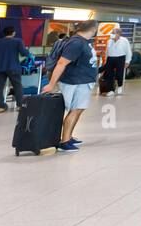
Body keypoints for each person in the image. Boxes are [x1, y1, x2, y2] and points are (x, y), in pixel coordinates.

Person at [41, 18, 99, 151]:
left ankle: (69, 136)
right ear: (93, 29)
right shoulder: (76, 43)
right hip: (75, 81)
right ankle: (65, 141)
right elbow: (62, 63)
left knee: (78, 109)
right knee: (76, 109)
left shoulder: (81, 41)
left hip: (81, 81)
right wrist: (51, 84)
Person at [0, 26, 31, 112]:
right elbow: (24, 53)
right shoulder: (18, 41)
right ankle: (20, 105)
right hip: (13, 67)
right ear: (13, 33)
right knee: (17, 86)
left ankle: (0, 106)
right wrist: (28, 52)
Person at [103, 25, 130, 96]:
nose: (112, 34)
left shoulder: (124, 40)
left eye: (113, 33)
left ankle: (120, 85)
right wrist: (106, 60)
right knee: (109, 75)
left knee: (119, 74)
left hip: (120, 58)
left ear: (118, 34)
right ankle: (111, 90)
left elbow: (128, 51)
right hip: (110, 58)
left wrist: (127, 61)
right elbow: (107, 51)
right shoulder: (109, 41)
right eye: (112, 33)